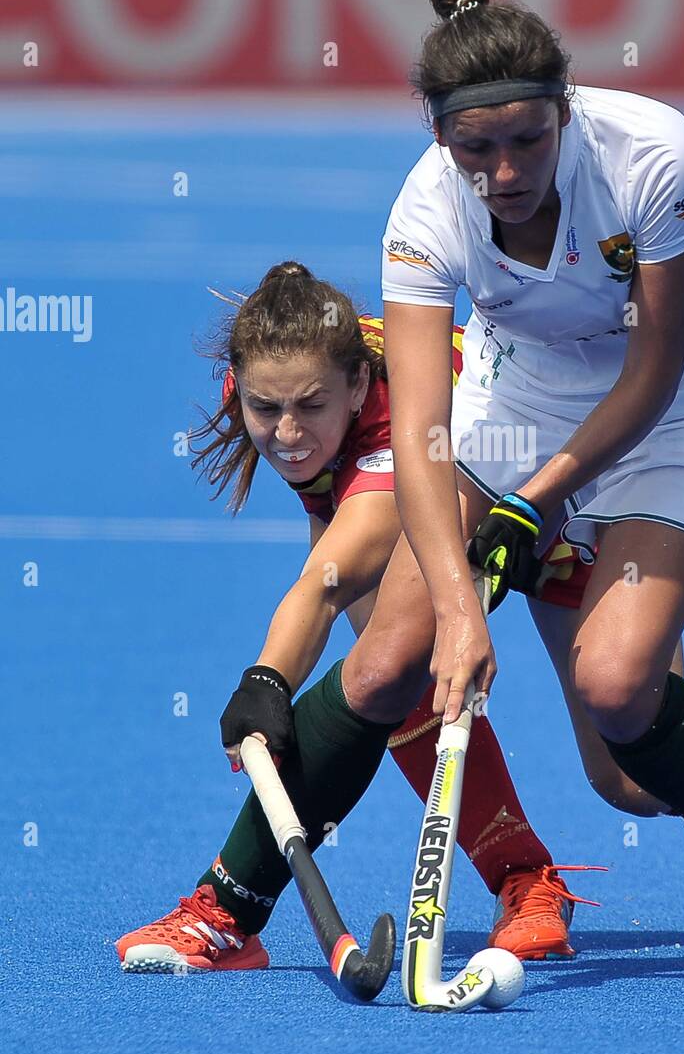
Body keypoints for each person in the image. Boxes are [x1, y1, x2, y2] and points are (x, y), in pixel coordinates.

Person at [234, 0, 684, 971]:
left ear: (565, 111)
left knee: (615, 686)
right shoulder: (424, 212)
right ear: (439, 138)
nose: (503, 173)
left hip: (676, 410)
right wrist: (461, 608)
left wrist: (532, 505)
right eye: (475, 150)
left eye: (525, 141)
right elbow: (420, 430)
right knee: (388, 662)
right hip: (514, 401)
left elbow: (653, 369)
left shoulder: (655, 158)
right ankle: (226, 909)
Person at [115, 265, 602, 972]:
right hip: (447, 489)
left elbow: (323, 584)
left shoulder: (391, 425)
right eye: (264, 408)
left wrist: (267, 681)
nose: (285, 432)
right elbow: (326, 523)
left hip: (560, 498)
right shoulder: (278, 384)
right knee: (386, 675)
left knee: (627, 770)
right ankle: (522, 883)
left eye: (310, 407)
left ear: (354, 385)